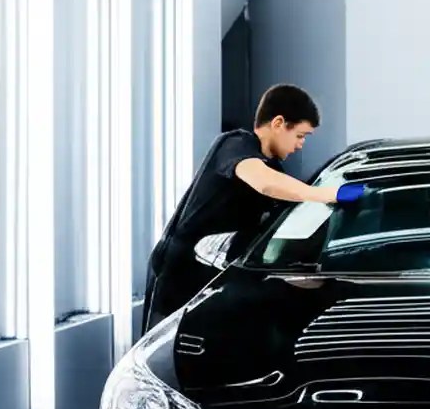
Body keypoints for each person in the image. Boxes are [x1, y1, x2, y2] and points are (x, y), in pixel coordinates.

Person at [142, 83, 367, 332]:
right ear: (279, 123)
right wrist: (329, 194)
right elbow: (264, 183)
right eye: (300, 135)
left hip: (219, 279)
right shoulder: (235, 145)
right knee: (166, 359)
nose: (301, 145)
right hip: (179, 275)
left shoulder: (275, 172)